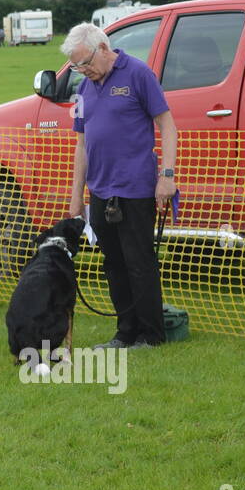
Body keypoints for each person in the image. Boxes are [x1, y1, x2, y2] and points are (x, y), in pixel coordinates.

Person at [63, 23, 178, 349]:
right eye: (77, 66)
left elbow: (168, 127)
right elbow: (81, 144)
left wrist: (166, 176)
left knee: (139, 262)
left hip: (136, 188)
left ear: (102, 48)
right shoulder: (84, 88)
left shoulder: (139, 74)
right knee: (113, 263)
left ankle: (151, 335)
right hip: (101, 191)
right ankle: (125, 332)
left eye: (85, 63)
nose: (84, 71)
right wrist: (76, 198)